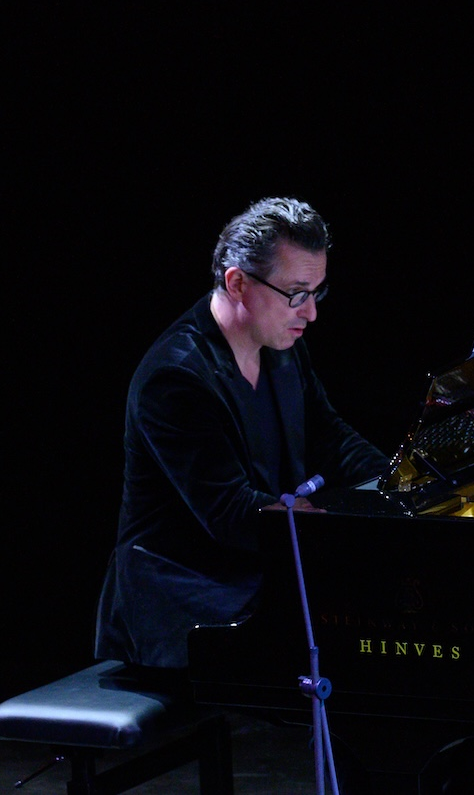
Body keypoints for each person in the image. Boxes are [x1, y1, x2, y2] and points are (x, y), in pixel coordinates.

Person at [94, 196, 390, 682]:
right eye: (297, 293)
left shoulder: (281, 346)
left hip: (246, 575)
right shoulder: (176, 377)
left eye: (317, 292)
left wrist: (398, 485)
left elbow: (331, 438)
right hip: (183, 598)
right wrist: (345, 536)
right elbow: (232, 513)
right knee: (354, 645)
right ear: (238, 283)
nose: (311, 313)